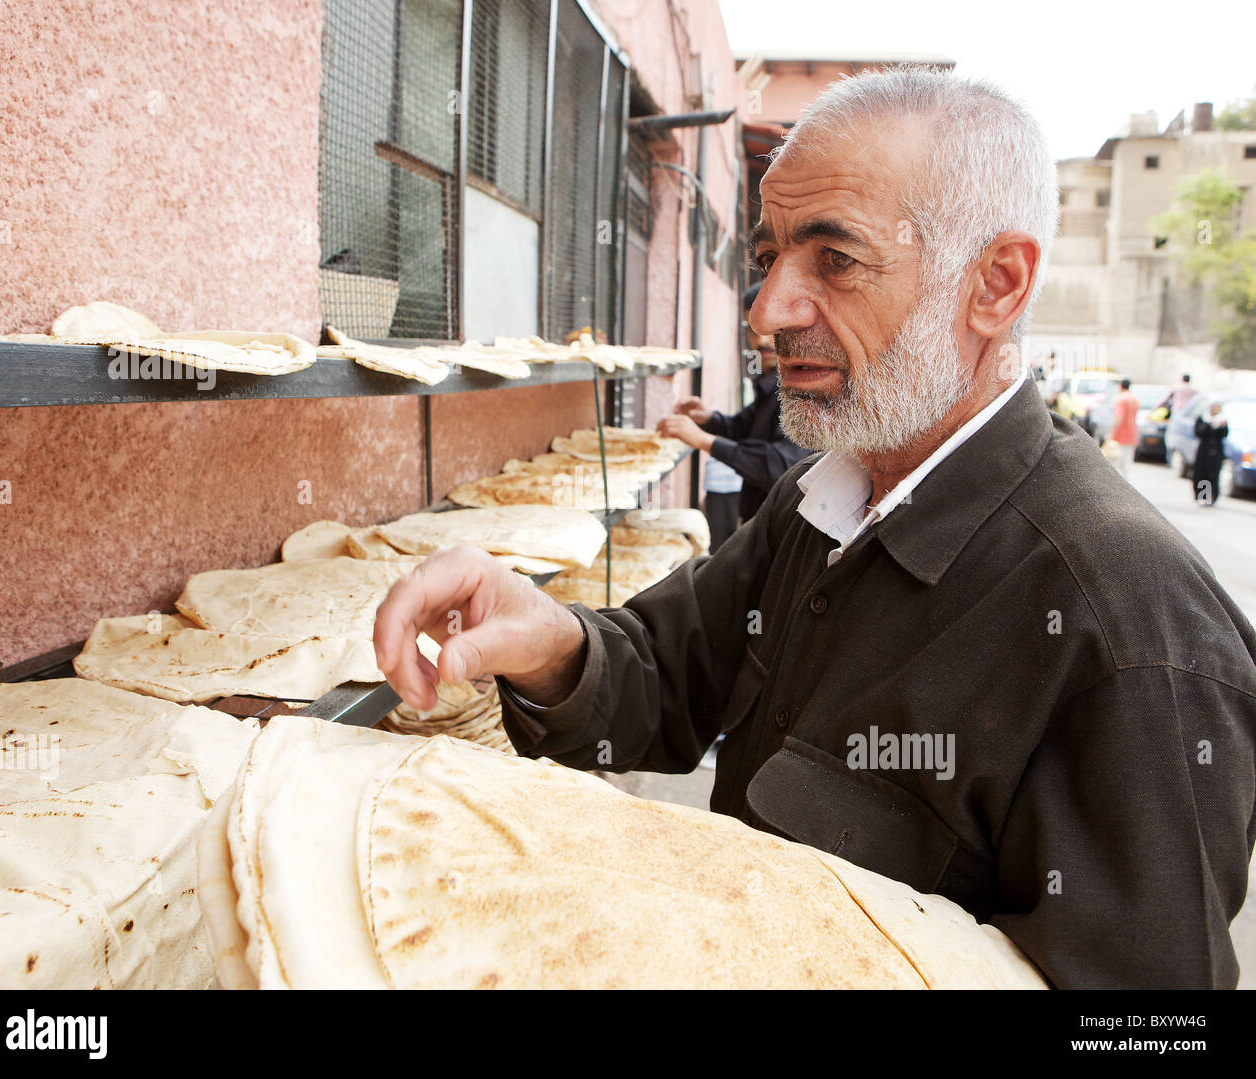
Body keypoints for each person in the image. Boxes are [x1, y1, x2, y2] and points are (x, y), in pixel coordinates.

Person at [374, 68, 1256, 989]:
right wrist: (550, 640)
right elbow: (664, 678)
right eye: (767, 261)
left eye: (834, 260)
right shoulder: (819, 501)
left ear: (995, 286)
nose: (766, 314)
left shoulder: (1133, 638)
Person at [656, 282, 810, 525]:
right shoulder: (770, 383)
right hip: (759, 523)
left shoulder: (805, 389)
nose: (760, 340)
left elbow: (782, 464)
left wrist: (704, 441)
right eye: (753, 328)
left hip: (785, 529)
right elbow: (745, 426)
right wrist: (708, 419)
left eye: (772, 328)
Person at [1193, 401, 1229, 506]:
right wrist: (1208, 423)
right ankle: (1201, 496)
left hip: (1216, 451)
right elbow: (1198, 432)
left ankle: (1211, 497)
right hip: (1204, 450)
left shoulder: (1222, 420)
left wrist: (1221, 426)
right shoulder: (1203, 418)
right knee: (1202, 473)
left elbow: (1225, 434)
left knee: (1213, 474)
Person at [1106, 377, 1139, 482]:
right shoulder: (1134, 399)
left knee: (1116, 464)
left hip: (1120, 436)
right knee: (1126, 464)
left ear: (1121, 386)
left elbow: (1118, 418)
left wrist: (1111, 435)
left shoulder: (1121, 399)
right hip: (1132, 435)